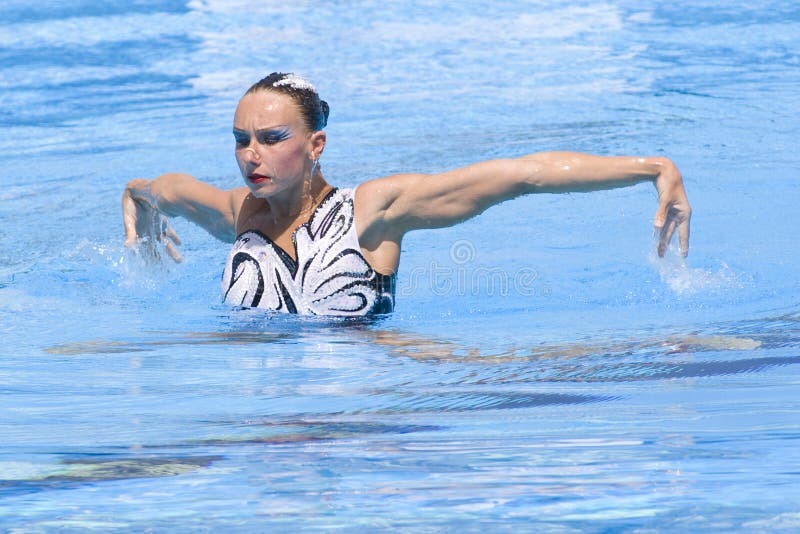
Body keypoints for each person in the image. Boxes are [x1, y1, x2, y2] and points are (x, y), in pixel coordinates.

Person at [122, 72, 691, 316]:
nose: (252, 154)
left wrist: (652, 169)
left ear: (315, 143)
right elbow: (160, 190)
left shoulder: (374, 211)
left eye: (273, 139)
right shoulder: (238, 212)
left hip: (369, 401)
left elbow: (523, 174)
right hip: (258, 417)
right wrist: (138, 207)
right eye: (241, 140)